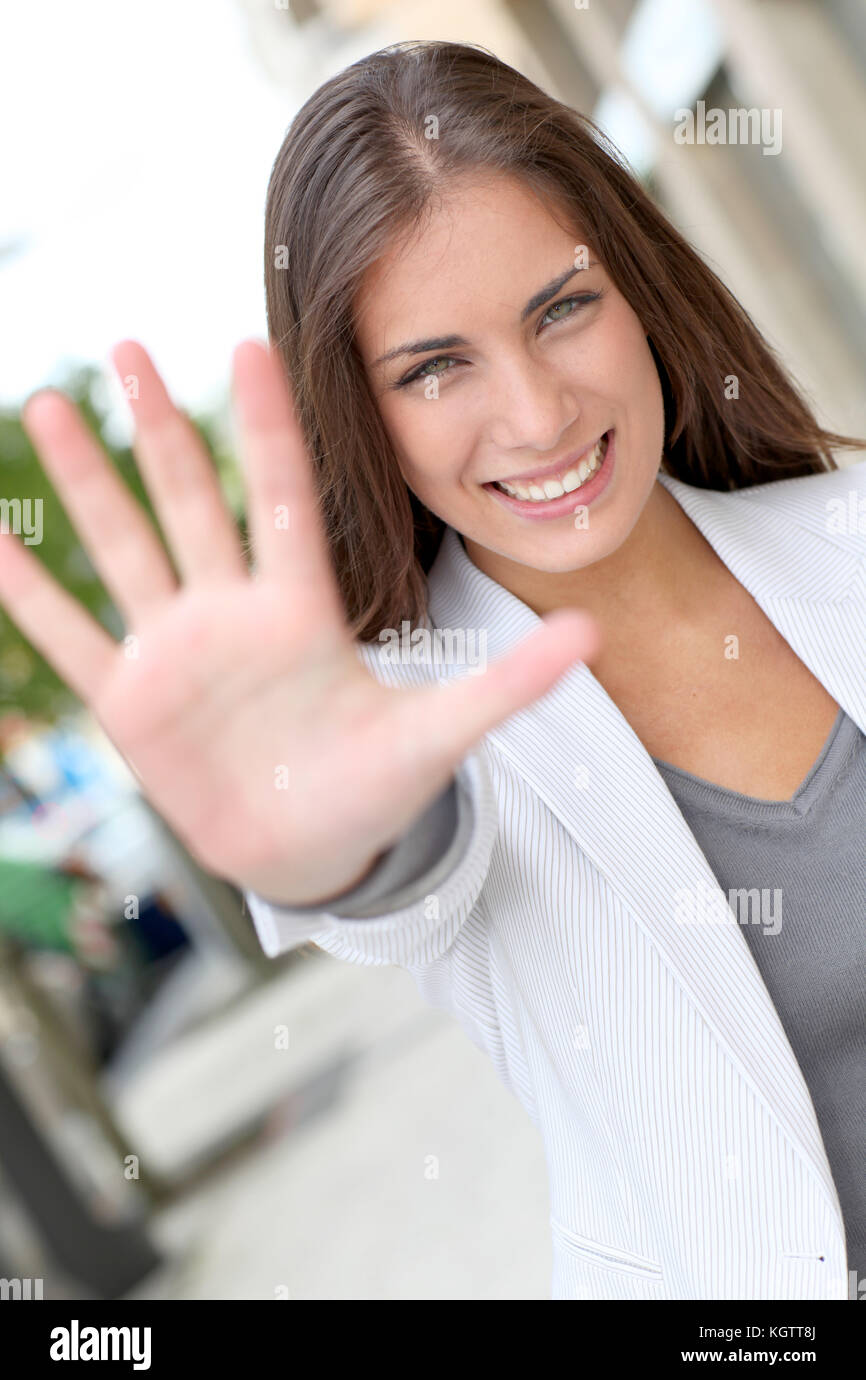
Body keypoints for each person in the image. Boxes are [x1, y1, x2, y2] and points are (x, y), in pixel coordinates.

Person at [3, 40, 864, 1301]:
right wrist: (327, 848)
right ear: (363, 411)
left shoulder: (844, 536)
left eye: (561, 307)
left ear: (639, 289)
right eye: (432, 366)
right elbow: (397, 864)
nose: (534, 415)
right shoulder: (407, 719)